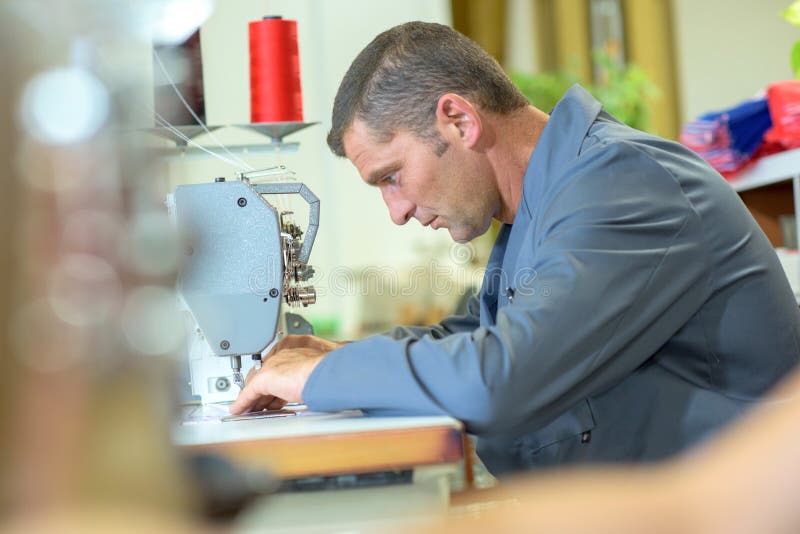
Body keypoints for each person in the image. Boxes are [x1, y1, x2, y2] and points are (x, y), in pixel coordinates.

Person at [231, 21, 800, 476]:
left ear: (458, 121)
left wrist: (322, 378)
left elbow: (499, 379)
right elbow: (482, 336)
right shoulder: (547, 202)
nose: (397, 210)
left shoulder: (622, 182)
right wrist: (337, 356)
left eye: (391, 177)